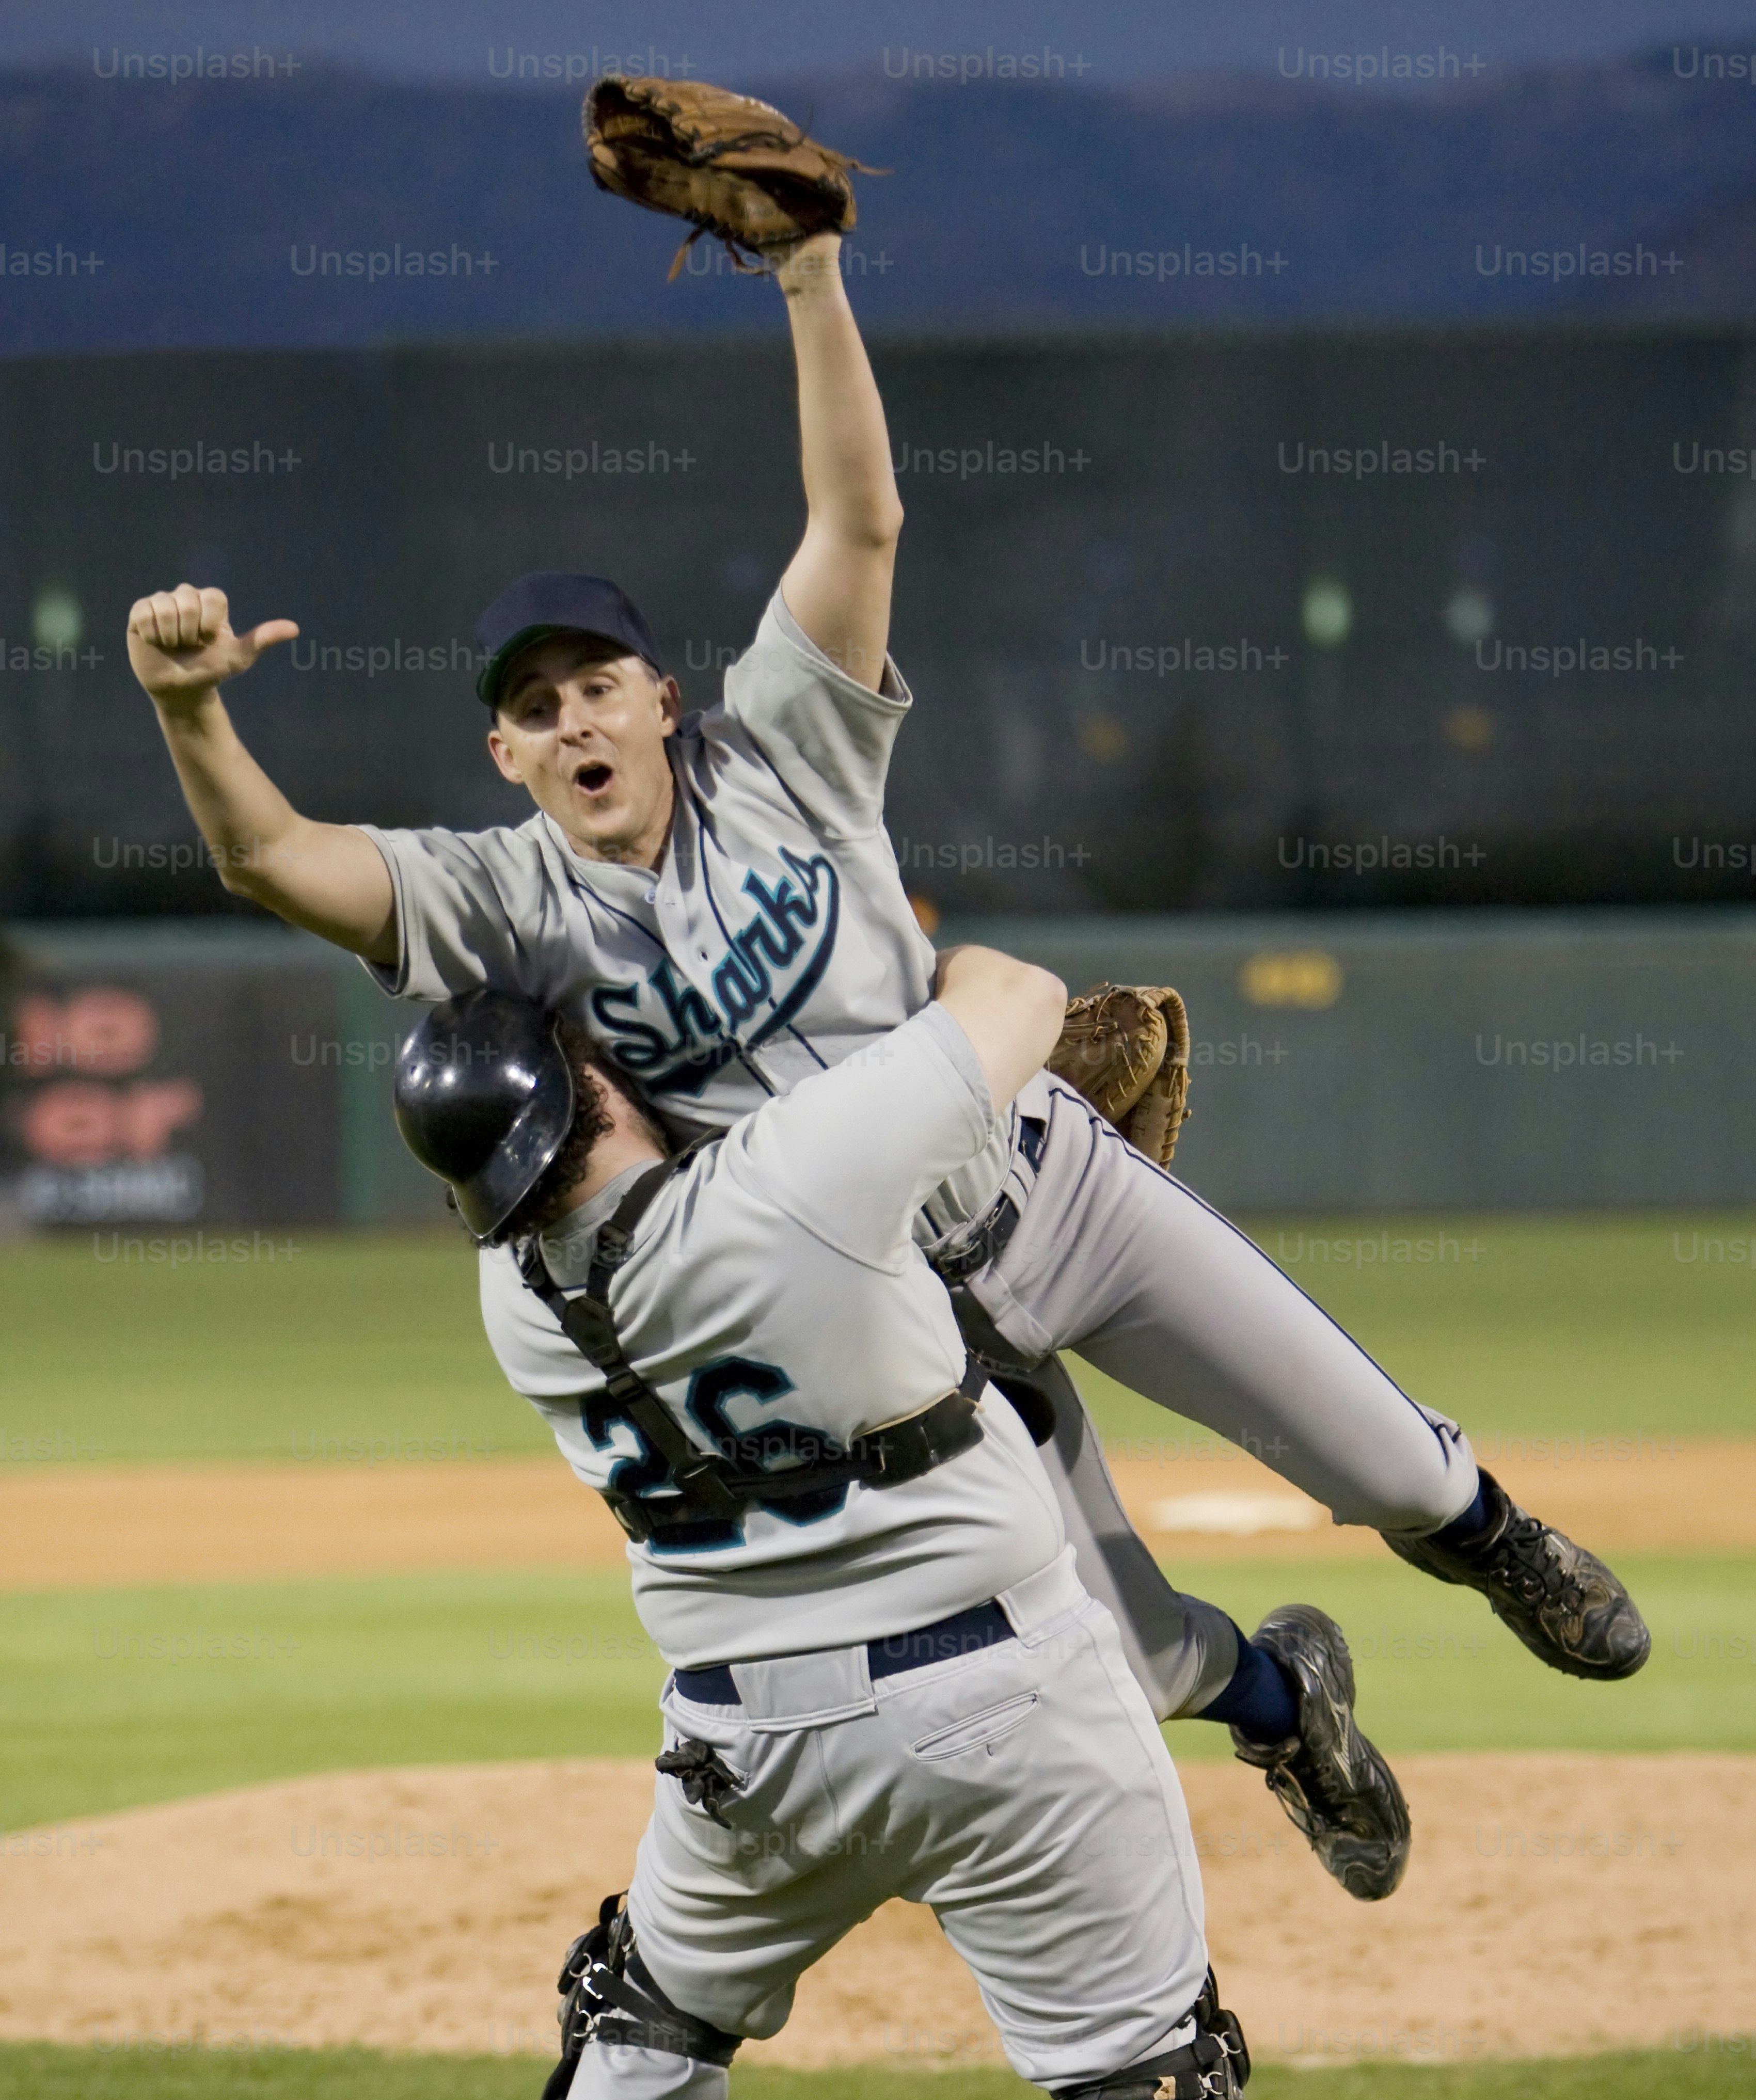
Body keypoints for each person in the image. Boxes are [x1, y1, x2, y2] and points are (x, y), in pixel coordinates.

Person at [123, 228, 1649, 1752]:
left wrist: (806, 280)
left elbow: (859, 521)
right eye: (535, 706)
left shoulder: (782, 744)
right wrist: (189, 709)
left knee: (1384, 1463)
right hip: (892, 1324)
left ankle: (1495, 1537)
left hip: (1050, 1193)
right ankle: (1281, 1705)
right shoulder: (501, 897)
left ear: (665, 699)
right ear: (505, 758)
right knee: (1110, 1658)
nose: (573, 717)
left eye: (598, 683)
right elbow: (271, 857)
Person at [392, 945, 1317, 2100]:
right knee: (1133, 2070)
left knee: (653, 2008)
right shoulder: (796, 1172)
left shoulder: (518, 1294)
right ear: (596, 1081)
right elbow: (1013, 988)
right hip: (996, 1706)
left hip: (741, 1745)